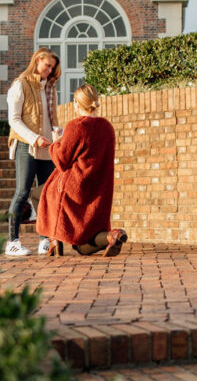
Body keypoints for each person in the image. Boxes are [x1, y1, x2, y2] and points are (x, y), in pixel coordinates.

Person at [36, 84, 128, 257]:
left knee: (39, 194)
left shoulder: (76, 126)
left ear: (77, 104)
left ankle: (54, 240)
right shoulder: (107, 127)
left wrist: (56, 142)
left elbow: (62, 161)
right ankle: (111, 236)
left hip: (75, 188)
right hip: (98, 190)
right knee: (84, 243)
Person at [5, 47, 61, 256]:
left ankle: (45, 240)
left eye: (52, 68)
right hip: (25, 146)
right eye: (47, 66)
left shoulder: (50, 87)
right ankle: (12, 242)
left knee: (46, 194)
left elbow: (50, 119)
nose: (49, 70)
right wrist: (34, 138)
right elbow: (14, 120)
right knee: (22, 192)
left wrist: (56, 132)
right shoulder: (20, 84)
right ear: (37, 60)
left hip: (47, 149)